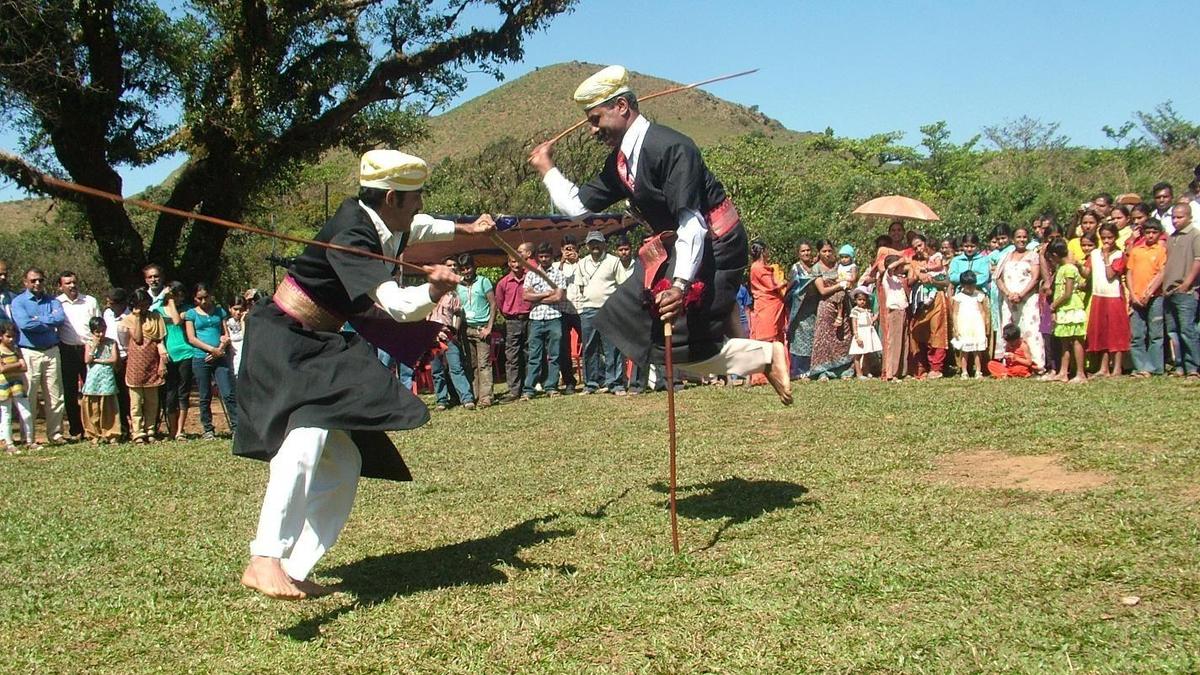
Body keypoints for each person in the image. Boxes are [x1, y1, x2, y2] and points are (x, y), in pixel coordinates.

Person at [237, 149, 492, 600]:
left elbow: (422, 225)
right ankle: (264, 558)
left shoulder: (386, 219)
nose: (420, 204)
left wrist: (466, 228)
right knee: (306, 436)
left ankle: (293, 569)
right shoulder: (352, 234)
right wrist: (432, 290)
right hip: (284, 338)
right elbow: (396, 304)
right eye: (415, 196)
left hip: (318, 340)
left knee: (344, 462)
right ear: (392, 197)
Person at [528, 65, 790, 403]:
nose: (593, 131)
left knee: (684, 347)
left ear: (621, 106)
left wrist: (679, 286)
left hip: (715, 244)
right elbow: (578, 206)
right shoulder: (620, 164)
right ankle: (762, 358)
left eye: (596, 119)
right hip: (676, 246)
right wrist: (547, 169)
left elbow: (692, 223)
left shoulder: (673, 147)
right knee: (623, 322)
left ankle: (766, 357)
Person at [10, 267, 67, 444]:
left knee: (55, 395)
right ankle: (28, 437)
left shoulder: (53, 301)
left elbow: (59, 319)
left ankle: (55, 434)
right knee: (29, 395)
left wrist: (37, 319)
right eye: (33, 280)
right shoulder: (18, 302)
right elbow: (25, 324)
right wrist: (48, 321)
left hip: (51, 351)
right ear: (25, 282)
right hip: (29, 352)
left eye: (40, 280)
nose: (37, 283)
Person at [185, 282, 237, 439]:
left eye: (206, 297)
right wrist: (211, 350)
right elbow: (192, 338)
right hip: (201, 357)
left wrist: (219, 349)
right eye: (199, 298)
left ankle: (236, 427)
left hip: (220, 357)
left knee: (228, 392)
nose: (203, 301)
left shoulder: (219, 311)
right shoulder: (191, 314)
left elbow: (225, 334)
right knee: (204, 395)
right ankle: (208, 429)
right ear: (194, 298)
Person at [576, 230, 623, 394]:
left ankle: (615, 383)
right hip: (588, 309)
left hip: (609, 309)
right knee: (589, 348)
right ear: (587, 246)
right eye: (591, 243)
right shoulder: (581, 263)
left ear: (604, 244)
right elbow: (580, 287)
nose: (595, 246)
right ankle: (591, 384)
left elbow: (622, 285)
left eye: (597, 242)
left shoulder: (614, 261)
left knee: (612, 348)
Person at [56, 270, 100, 439]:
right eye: (67, 283)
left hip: (88, 349)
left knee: (92, 389)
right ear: (60, 286)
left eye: (74, 282)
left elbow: (98, 324)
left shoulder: (90, 301)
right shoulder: (57, 303)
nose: (72, 285)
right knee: (70, 391)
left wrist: (95, 347)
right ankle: (76, 429)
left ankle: (93, 427)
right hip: (67, 350)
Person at [1083, 223, 1130, 377]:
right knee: (1101, 331)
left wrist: (1106, 258)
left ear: (1115, 237)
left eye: (1110, 237)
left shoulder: (1119, 255)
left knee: (1116, 332)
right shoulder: (1094, 253)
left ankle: (1117, 367)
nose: (1106, 241)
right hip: (1098, 295)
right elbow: (1087, 272)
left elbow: (1110, 275)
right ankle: (1103, 367)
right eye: (1103, 238)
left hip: (1114, 296)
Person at [522, 242, 567, 400]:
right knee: (534, 355)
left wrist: (536, 297)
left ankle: (551, 386)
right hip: (536, 319)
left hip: (554, 317)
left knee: (554, 355)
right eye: (541, 256)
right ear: (537, 257)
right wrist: (547, 294)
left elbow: (559, 297)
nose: (544, 259)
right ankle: (529, 388)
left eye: (546, 256)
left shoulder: (559, 274)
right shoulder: (531, 274)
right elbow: (526, 296)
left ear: (551, 256)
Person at [994, 227, 1044, 372]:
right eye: (1018, 237)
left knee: (1030, 330)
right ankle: (1010, 363)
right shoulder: (1006, 256)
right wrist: (1008, 293)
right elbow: (997, 278)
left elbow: (1035, 278)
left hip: (1027, 299)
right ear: (1013, 239)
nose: (1021, 240)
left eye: (1024, 237)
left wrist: (1021, 294)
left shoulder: (1033, 256)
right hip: (1009, 300)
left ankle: (1035, 364)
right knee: (1009, 328)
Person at [1122, 219, 1167, 376]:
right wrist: (1133, 294)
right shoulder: (1136, 251)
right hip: (1136, 297)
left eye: (1154, 232)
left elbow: (1162, 272)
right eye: (1148, 232)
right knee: (1137, 334)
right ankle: (1140, 366)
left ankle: (1155, 367)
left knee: (1156, 334)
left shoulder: (1161, 250)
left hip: (1155, 297)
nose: (1151, 235)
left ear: (1159, 234)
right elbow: (1129, 272)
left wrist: (1150, 292)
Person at [122, 289, 168, 443]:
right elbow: (137, 338)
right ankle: (138, 432)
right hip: (135, 365)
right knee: (135, 403)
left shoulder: (155, 317)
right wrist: (137, 317)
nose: (143, 307)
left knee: (152, 402)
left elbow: (160, 341)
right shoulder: (129, 319)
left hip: (153, 362)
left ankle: (150, 430)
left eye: (145, 304)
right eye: (139, 304)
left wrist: (162, 363)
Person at [430, 257, 474, 410]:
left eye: (455, 265)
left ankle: (467, 398)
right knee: (437, 370)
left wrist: (455, 330)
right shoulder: (430, 290)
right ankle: (442, 400)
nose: (452, 267)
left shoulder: (453, 294)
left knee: (456, 367)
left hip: (449, 334)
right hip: (432, 336)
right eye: (449, 265)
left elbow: (458, 313)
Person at [1162, 202, 1200, 377]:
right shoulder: (1172, 237)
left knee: (1187, 330)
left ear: (1189, 217)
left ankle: (1193, 367)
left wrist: (1186, 284)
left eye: (1180, 217)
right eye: (1173, 217)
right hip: (1169, 291)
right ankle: (1179, 365)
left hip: (1186, 291)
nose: (1175, 221)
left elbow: (1198, 261)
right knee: (1173, 331)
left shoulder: (1195, 235)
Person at [907, 234, 950, 379]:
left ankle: (936, 367)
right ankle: (921, 367)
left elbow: (946, 282)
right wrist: (917, 276)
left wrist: (932, 281)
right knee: (918, 330)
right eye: (915, 248)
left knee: (937, 332)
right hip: (921, 301)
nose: (918, 249)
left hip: (937, 298)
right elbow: (910, 281)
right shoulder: (914, 262)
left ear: (926, 243)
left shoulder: (937, 259)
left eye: (920, 245)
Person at [455, 254, 496, 406]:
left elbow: (493, 304)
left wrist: (489, 327)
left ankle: (486, 398)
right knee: (471, 364)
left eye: (468, 268)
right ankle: (475, 395)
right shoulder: (458, 286)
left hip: (482, 328)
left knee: (484, 363)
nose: (466, 271)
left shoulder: (483, 282)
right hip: (466, 329)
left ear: (474, 267)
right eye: (463, 269)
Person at [808, 240, 852, 379]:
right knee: (824, 339)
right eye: (824, 251)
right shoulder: (816, 268)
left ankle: (844, 369)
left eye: (829, 251)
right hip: (826, 306)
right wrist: (839, 286)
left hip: (841, 306)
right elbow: (822, 290)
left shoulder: (839, 265)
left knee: (843, 337)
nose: (827, 254)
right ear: (819, 252)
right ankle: (823, 371)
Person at [1045, 239, 1087, 383]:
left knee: (1076, 340)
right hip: (1063, 308)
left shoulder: (1069, 269)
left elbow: (1067, 293)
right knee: (1064, 341)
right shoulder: (1061, 269)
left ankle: (1080, 373)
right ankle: (1063, 372)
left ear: (1055, 255)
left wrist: (1053, 305)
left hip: (1071, 307)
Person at [157, 281, 194, 440]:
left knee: (183, 392)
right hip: (169, 355)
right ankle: (172, 430)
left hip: (186, 353)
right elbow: (157, 333)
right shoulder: (158, 311)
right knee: (170, 393)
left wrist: (171, 302)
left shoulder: (187, 310)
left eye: (181, 296)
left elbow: (177, 321)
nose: (180, 299)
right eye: (177, 296)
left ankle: (180, 430)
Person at [494, 254, 532, 402]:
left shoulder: (530, 278)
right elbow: (499, 302)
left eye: (519, 261)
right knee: (512, 356)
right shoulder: (503, 283)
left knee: (530, 353)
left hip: (529, 319)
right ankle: (514, 390)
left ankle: (529, 387)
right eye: (513, 261)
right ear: (509, 263)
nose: (516, 264)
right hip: (512, 321)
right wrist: (509, 314)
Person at [748, 240, 786, 386]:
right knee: (766, 339)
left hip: (772, 305)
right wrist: (785, 282)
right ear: (763, 251)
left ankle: (777, 371)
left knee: (775, 337)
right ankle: (762, 375)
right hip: (766, 306)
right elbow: (772, 285)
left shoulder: (760, 267)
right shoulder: (757, 267)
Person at [81, 316, 121, 444]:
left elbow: (114, 359)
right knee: (93, 408)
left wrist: (98, 360)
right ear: (92, 331)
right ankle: (94, 434)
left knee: (108, 406)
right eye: (97, 332)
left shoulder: (111, 343)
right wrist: (95, 347)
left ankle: (111, 433)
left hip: (107, 378)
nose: (101, 334)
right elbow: (87, 360)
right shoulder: (89, 343)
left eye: (103, 330)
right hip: (93, 380)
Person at [553, 234, 582, 393]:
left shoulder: (583, 263)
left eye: (572, 248)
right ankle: (569, 381)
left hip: (581, 308)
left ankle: (594, 378)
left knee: (589, 344)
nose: (569, 251)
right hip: (563, 310)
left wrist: (578, 261)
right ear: (561, 250)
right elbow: (552, 280)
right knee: (564, 348)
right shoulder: (556, 265)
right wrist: (562, 262)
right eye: (566, 248)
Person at [785, 241, 820, 377]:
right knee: (799, 339)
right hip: (799, 309)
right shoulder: (796, 268)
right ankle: (799, 371)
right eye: (803, 251)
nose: (806, 253)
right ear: (798, 254)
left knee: (813, 337)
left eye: (808, 250)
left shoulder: (815, 267)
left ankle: (812, 369)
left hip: (813, 307)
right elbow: (792, 288)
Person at [103, 287, 133, 438]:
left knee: (130, 395)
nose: (108, 306)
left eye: (111, 303)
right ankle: (121, 427)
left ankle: (134, 426)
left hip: (128, 358)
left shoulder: (131, 315)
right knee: (116, 394)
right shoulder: (107, 314)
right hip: (111, 359)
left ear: (121, 303)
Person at [0, 322, 33, 453]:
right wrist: (17, 365)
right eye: (8, 336)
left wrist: (10, 366)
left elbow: (24, 367)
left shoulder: (16, 349)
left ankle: (30, 441)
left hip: (17, 384)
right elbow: (2, 369)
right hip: (3, 386)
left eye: (13, 336)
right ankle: (9, 444)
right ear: (1, 336)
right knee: (6, 415)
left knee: (27, 414)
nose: (11, 339)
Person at [878, 254, 912, 381]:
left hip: (903, 310)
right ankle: (891, 372)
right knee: (895, 342)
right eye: (900, 266)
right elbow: (889, 268)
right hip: (895, 311)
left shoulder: (898, 279)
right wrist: (901, 260)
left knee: (904, 341)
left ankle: (902, 371)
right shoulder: (888, 277)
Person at [951, 270, 989, 379]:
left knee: (977, 350)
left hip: (976, 324)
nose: (971, 288)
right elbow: (955, 313)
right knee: (965, 350)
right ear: (963, 285)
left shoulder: (978, 295)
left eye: (973, 285)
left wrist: (984, 324)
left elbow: (982, 311)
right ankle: (964, 371)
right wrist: (956, 327)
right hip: (964, 325)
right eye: (968, 286)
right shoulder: (959, 297)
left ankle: (978, 371)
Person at [848, 289, 880, 379]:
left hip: (868, 332)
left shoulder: (867, 310)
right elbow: (854, 323)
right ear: (855, 300)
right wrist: (856, 336)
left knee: (867, 353)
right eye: (859, 299)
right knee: (858, 354)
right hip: (860, 332)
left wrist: (875, 316)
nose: (862, 301)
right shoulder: (855, 311)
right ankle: (859, 373)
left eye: (864, 300)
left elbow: (870, 321)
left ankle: (866, 370)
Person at [226, 296, 247, 377]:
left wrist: (242, 322)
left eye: (241, 310)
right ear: (229, 308)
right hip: (231, 364)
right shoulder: (226, 324)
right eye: (235, 309)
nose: (238, 312)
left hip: (244, 366)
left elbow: (246, 338)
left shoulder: (247, 322)